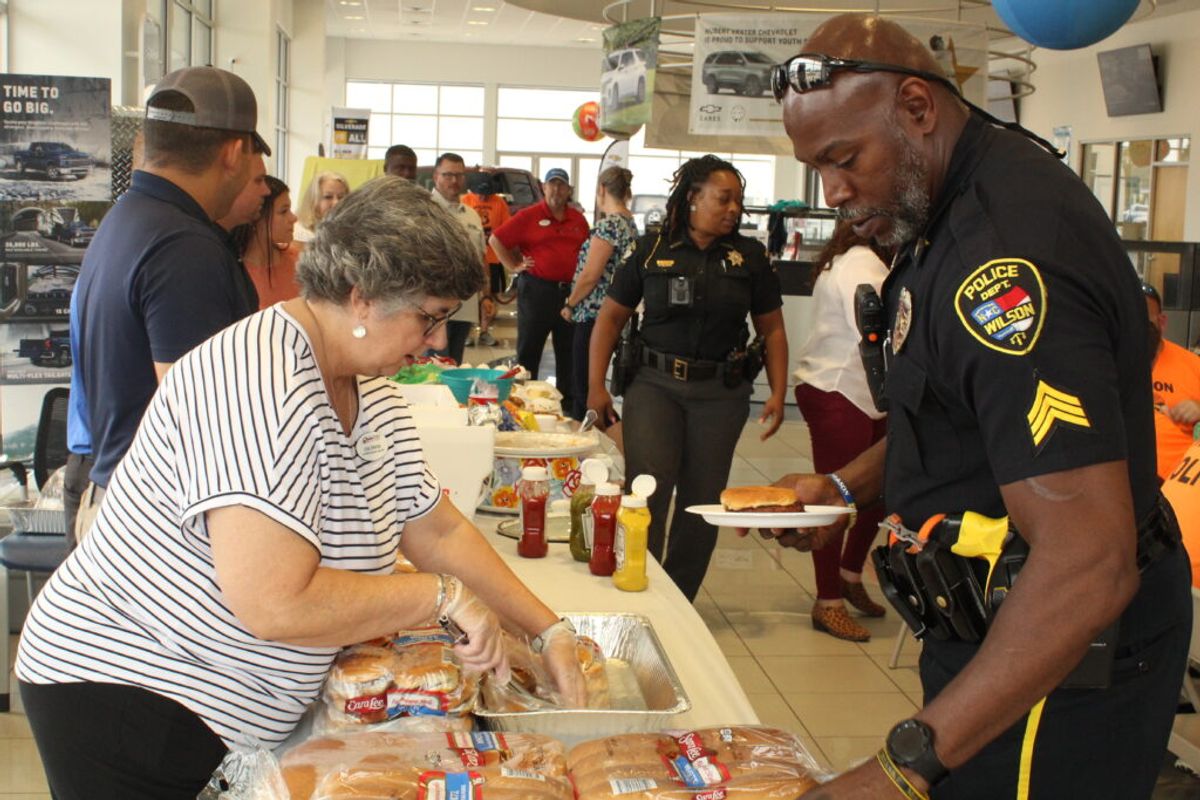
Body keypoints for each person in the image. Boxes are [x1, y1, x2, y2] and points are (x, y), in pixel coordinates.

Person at [15, 177, 586, 800]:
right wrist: (441, 598)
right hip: (135, 691)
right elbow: (274, 602)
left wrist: (546, 630)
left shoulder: (371, 392)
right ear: (361, 297)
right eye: (428, 318)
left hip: (226, 700)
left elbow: (437, 528)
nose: (437, 341)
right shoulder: (258, 383)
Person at [767, 14, 1189, 799]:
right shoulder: (943, 208)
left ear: (919, 109)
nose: (834, 193)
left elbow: (1088, 562)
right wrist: (845, 488)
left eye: (844, 159)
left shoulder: (1005, 263)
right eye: (815, 167)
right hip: (992, 633)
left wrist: (899, 768)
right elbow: (961, 415)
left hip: (1055, 657)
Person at [70, 66, 267, 543]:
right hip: (158, 519)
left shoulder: (127, 219)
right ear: (234, 152)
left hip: (117, 492)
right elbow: (199, 412)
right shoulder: (184, 247)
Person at [587, 155, 789, 602]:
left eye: (738, 199)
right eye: (724, 198)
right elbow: (611, 317)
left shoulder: (750, 257)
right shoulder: (652, 249)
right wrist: (595, 386)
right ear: (692, 198)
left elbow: (771, 328)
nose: (734, 208)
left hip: (721, 394)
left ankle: (678, 600)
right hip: (654, 386)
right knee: (650, 486)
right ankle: (639, 584)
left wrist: (778, 391)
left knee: (702, 499)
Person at [792, 221, 889, 642]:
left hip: (861, 393)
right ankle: (827, 601)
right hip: (840, 390)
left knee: (878, 493)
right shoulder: (863, 263)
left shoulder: (852, 259)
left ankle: (849, 575)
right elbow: (879, 335)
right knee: (836, 499)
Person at [490, 168, 589, 416]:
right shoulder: (529, 216)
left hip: (569, 295)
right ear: (544, 188)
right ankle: (522, 405)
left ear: (568, 190)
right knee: (529, 350)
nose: (556, 190)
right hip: (537, 291)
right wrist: (514, 265)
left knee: (568, 353)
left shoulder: (577, 219)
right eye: (551, 185)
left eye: (561, 185)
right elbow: (496, 240)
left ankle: (567, 410)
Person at [561, 165, 636, 421]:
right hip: (616, 313)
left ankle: (585, 449)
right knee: (593, 385)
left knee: (584, 388)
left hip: (593, 316)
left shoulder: (608, 227)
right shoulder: (630, 225)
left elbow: (590, 275)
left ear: (602, 190)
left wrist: (570, 303)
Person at [428, 152, 487, 363]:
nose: (454, 181)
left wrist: (485, 297)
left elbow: (480, 259)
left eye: (459, 175)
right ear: (436, 176)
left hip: (465, 307)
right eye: (448, 175)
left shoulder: (471, 214)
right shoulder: (424, 211)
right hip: (433, 310)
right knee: (434, 372)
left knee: (455, 370)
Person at [1145, 281, 1200, 481]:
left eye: (1145, 320)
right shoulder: (1109, 364)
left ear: (1162, 322)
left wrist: (1198, 408)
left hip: (1181, 482)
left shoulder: (1194, 366)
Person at [232, 175, 302, 308]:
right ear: (257, 215)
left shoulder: (300, 261)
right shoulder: (236, 273)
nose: (293, 218)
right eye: (283, 211)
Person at [462, 172, 512, 347]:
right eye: (480, 193)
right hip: (471, 259)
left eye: (486, 193)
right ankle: (467, 332)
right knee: (468, 298)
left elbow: (507, 227)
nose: (483, 196)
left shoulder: (499, 203)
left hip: (493, 258)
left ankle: (484, 331)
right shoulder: (465, 201)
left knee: (490, 298)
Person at [294, 170, 349, 243]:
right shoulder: (299, 234)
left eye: (341, 197)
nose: (337, 202)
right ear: (313, 200)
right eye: (328, 197)